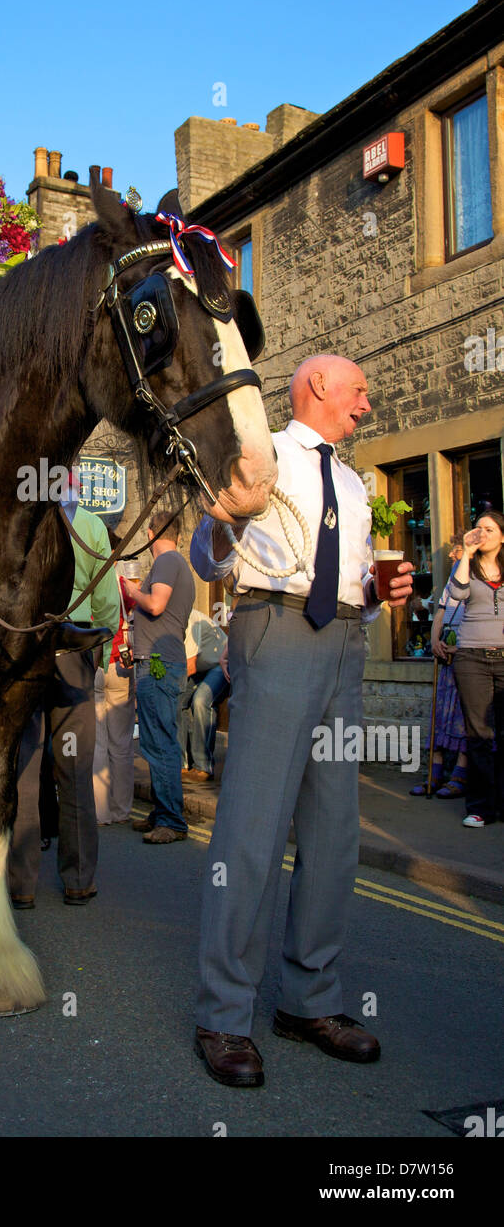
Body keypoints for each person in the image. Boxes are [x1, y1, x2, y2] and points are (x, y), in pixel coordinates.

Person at [189, 354, 413, 1088]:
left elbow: (344, 582)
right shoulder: (259, 455)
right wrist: (226, 518)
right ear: (318, 385)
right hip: (275, 628)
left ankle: (309, 1002)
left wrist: (380, 595)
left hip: (346, 642)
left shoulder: (352, 483)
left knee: (333, 831)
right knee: (253, 830)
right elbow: (207, 553)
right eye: (360, 390)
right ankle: (224, 1014)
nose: (367, 404)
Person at [8, 495, 120, 907]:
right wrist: (101, 655)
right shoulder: (90, 526)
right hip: (75, 652)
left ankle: (20, 884)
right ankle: (78, 879)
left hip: (27, 650)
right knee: (74, 771)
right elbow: (108, 599)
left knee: (23, 769)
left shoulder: (23, 518)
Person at [123, 519, 195, 844]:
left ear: (151, 533)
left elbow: (156, 604)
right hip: (161, 661)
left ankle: (171, 821)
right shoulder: (178, 562)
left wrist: (131, 590)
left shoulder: (166, 561)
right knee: (156, 740)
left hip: (158, 664)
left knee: (161, 741)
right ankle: (161, 812)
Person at [446, 511, 504, 828]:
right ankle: (480, 807)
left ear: (502, 535)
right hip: (472, 658)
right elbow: (457, 593)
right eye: (478, 527)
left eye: (489, 528)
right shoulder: (467, 565)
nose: (482, 532)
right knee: (479, 735)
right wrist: (466, 553)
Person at [413, 534, 468, 798]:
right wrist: (435, 640)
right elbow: (442, 611)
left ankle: (460, 775)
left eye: (456, 549)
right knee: (440, 712)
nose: (450, 554)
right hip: (445, 651)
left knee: (463, 716)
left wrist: (463, 647)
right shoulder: (451, 578)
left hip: (468, 653)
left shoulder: (478, 575)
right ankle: (434, 775)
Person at [92, 574, 137, 825]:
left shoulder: (87, 577)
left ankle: (100, 812)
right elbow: (136, 610)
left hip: (95, 662)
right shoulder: (121, 581)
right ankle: (122, 810)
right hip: (121, 663)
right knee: (121, 743)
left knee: (98, 742)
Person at [178, 606, 229, 781]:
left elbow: (190, 665)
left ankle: (203, 765)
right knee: (177, 699)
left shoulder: (190, 619)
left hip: (219, 665)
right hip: (200, 668)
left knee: (201, 700)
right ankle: (181, 763)